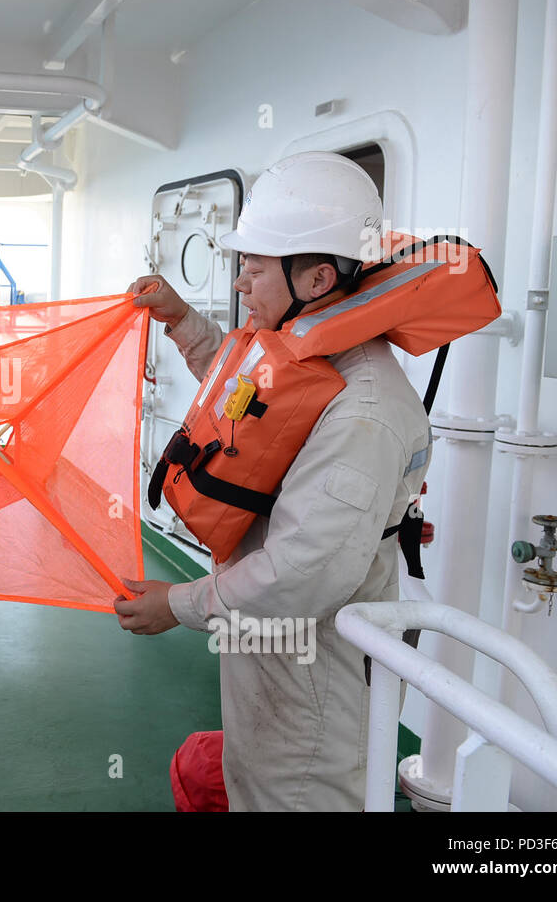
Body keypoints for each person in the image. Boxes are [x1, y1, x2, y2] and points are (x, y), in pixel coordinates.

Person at [116, 151, 433, 811]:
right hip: (271, 658)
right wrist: (181, 321)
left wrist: (175, 605)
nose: (239, 285)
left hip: (311, 692)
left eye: (254, 269)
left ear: (315, 276)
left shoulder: (364, 411)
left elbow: (300, 574)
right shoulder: (307, 344)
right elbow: (248, 401)